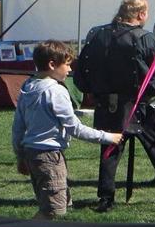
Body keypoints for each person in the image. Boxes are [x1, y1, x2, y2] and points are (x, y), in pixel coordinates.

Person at [74, 0, 155, 213]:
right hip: (139, 106)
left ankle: (106, 198)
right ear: (140, 14)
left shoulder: (96, 34)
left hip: (107, 105)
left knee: (109, 149)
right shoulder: (145, 38)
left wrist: (91, 90)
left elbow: (81, 72)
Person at [12, 40, 124, 218]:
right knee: (53, 212)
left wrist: (20, 155)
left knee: (60, 203)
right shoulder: (56, 91)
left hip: (33, 154)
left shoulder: (27, 86)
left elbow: (18, 127)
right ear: (52, 64)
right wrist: (108, 137)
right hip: (49, 155)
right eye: (67, 64)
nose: (70, 70)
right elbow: (75, 128)